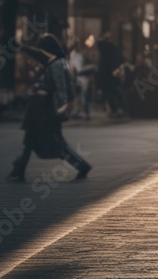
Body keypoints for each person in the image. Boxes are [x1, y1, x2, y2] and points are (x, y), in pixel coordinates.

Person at [8, 34, 91, 181]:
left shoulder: (57, 64)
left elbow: (61, 89)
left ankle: (81, 166)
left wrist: (62, 107)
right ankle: (19, 170)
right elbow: (38, 54)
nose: (40, 52)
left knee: (57, 144)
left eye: (42, 49)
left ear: (47, 49)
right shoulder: (53, 61)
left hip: (47, 111)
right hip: (41, 108)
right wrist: (23, 48)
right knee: (31, 140)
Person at [96, 32, 123, 116]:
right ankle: (113, 109)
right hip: (110, 72)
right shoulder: (111, 47)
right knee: (111, 92)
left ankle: (113, 109)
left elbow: (99, 42)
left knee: (109, 92)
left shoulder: (105, 47)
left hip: (107, 72)